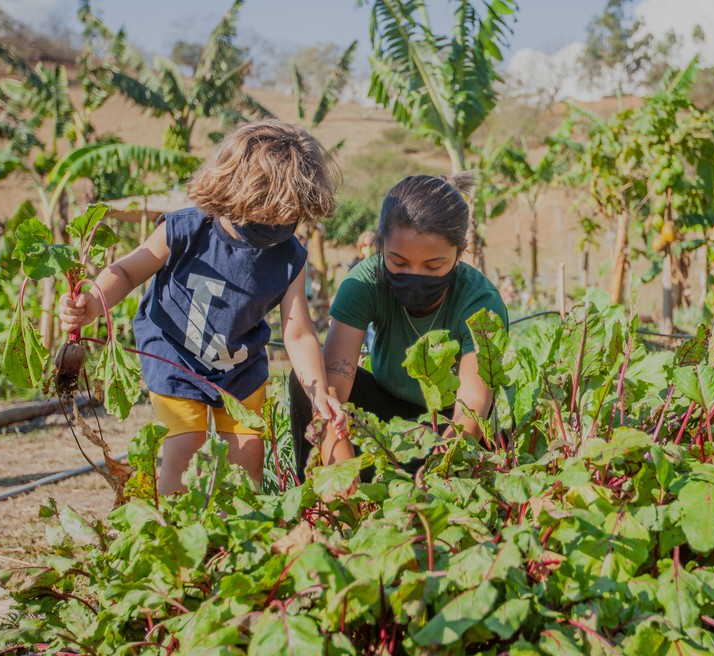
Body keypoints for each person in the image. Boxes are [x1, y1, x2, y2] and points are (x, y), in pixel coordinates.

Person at [60, 120, 347, 494]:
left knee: (248, 455)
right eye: (264, 218)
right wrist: (94, 303)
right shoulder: (185, 230)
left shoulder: (290, 256)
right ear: (231, 191)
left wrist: (318, 390)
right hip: (174, 355)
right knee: (185, 445)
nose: (274, 229)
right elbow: (128, 272)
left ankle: (239, 525)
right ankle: (174, 523)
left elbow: (298, 332)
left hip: (239, 363)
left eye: (286, 220)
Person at [290, 173, 508, 475]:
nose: (415, 275)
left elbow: (472, 404)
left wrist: (438, 474)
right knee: (309, 381)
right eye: (399, 262)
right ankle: (319, 490)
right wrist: (341, 475)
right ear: (380, 246)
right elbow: (333, 389)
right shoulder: (364, 283)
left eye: (433, 265)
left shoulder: (481, 301)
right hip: (386, 423)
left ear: (459, 253)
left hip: (453, 428)